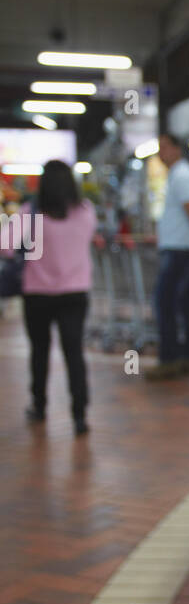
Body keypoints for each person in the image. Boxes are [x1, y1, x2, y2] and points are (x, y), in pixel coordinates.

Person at [0, 159, 96, 435]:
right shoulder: (85, 212)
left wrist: (30, 249)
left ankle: (39, 405)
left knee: (39, 352)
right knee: (74, 352)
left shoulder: (32, 214)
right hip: (76, 293)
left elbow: (5, 246)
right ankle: (79, 414)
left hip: (38, 294)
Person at [145, 133, 189, 381]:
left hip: (180, 248)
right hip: (181, 246)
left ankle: (170, 359)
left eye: (163, 147)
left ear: (176, 149)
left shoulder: (182, 176)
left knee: (164, 301)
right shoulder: (179, 175)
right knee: (184, 302)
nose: (160, 153)